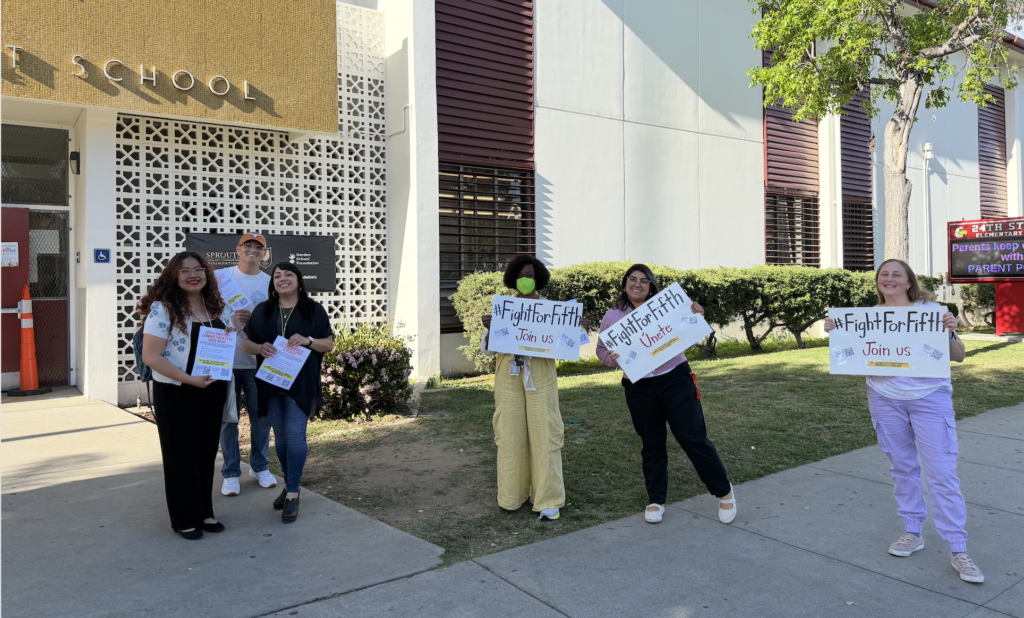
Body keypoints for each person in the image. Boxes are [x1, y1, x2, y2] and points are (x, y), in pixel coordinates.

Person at [824, 259, 983, 583]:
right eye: (884, 274)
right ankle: (913, 532)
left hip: (930, 399)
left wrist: (950, 332)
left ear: (909, 281)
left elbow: (958, 356)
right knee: (902, 468)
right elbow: (850, 355)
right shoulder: (865, 318)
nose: (890, 278)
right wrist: (836, 334)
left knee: (941, 473)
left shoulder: (931, 314)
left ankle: (958, 549)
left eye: (897, 274)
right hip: (884, 399)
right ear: (878, 282)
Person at [595, 264, 736, 525]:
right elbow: (601, 349)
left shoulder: (668, 308)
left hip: (675, 379)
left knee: (692, 437)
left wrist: (695, 315)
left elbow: (689, 335)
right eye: (632, 279)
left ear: (651, 286)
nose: (637, 284)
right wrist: (611, 359)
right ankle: (656, 500)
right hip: (639, 387)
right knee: (652, 443)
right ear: (625, 283)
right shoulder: (613, 316)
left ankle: (724, 492)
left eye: (644, 281)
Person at [480, 255, 590, 521]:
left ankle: (548, 499)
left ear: (538, 278)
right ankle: (511, 496)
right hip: (508, 374)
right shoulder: (503, 310)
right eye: (520, 275)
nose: (525, 280)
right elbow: (488, 350)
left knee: (544, 430)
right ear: (512, 279)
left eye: (529, 275)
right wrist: (490, 329)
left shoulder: (552, 311)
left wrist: (578, 330)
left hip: (540, 373)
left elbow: (569, 344)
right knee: (509, 432)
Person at [139, 252, 232, 540]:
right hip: (177, 390)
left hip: (213, 389)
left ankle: (205, 511)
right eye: (185, 271)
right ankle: (183, 517)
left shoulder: (217, 306)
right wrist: (190, 380)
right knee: (181, 455)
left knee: (205, 452)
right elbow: (151, 356)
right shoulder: (163, 309)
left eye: (198, 269)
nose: (193, 275)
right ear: (173, 277)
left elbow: (227, 343)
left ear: (207, 274)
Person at [242, 262, 334, 523]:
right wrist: (260, 348)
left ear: (299, 280)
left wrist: (308, 341)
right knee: (280, 437)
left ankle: (293, 491)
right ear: (273, 283)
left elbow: (329, 343)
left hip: (300, 384)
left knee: (294, 436)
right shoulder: (263, 310)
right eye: (277, 276)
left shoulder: (313, 310)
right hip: (271, 383)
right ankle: (290, 484)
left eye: (288, 274)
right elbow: (246, 343)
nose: (282, 279)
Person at [219, 233, 275, 497]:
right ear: (238, 249)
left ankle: (260, 466)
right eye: (248, 246)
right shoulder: (221, 277)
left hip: (257, 361)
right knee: (227, 419)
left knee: (261, 419)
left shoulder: (270, 283)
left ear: (264, 254)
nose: (253, 250)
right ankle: (231, 473)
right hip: (224, 360)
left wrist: (254, 320)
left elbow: (278, 322)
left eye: (258, 247)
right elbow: (204, 312)